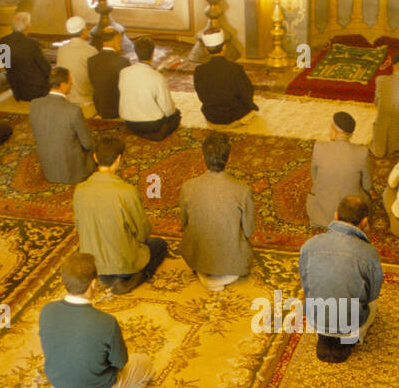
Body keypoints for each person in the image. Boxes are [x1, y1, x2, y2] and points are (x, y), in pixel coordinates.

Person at [38, 252, 152, 388]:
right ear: (93, 284)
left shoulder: (46, 311)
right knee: (145, 364)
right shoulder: (106, 322)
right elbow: (121, 362)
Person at [72, 134, 167, 294]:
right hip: (124, 265)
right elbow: (142, 232)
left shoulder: (79, 189)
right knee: (159, 245)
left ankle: (107, 278)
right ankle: (135, 278)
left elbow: (79, 226)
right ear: (118, 159)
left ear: (95, 157)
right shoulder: (126, 192)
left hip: (94, 266)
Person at [299, 195, 383, 363]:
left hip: (317, 318)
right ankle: (352, 337)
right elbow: (373, 295)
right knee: (373, 304)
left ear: (336, 215)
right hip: (351, 323)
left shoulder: (309, 245)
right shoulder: (369, 253)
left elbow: (306, 284)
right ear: (364, 222)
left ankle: (325, 334)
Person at [178, 132, 254, 291]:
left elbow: (184, 224)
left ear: (203, 158)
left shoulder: (188, 186)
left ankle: (207, 274)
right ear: (229, 159)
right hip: (233, 266)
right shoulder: (242, 190)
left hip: (198, 260)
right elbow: (248, 231)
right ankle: (222, 276)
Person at [305, 111, 372, 228]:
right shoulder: (362, 152)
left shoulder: (318, 148)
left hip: (322, 215)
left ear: (334, 131)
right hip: (352, 216)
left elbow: (315, 178)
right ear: (350, 134)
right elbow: (367, 185)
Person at [29, 67, 95, 185]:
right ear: (63, 85)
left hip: (48, 170)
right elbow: (87, 144)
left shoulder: (34, 104)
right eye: (70, 81)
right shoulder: (73, 110)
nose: (72, 83)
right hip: (73, 173)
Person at [118, 37, 180, 140]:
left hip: (129, 123)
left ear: (136, 52)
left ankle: (142, 133)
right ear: (153, 53)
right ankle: (157, 134)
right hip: (152, 125)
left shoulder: (124, 72)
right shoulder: (157, 77)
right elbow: (168, 109)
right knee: (176, 115)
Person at [192, 29, 258, 126]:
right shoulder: (235, 68)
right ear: (224, 47)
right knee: (249, 109)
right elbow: (246, 92)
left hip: (211, 116)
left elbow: (201, 95)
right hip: (234, 115)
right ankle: (236, 122)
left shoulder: (198, 70)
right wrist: (251, 106)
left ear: (206, 50)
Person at [0, 11, 50, 102]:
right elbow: (45, 67)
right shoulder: (32, 44)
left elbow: (5, 67)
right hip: (36, 91)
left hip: (17, 90)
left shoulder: (3, 42)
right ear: (27, 26)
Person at [87, 27, 130, 119]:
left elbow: (93, 83)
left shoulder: (91, 61)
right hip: (117, 108)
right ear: (114, 40)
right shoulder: (123, 62)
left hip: (100, 108)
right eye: (119, 41)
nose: (121, 44)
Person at [55, 15, 97, 108]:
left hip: (66, 96)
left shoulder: (61, 49)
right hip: (85, 98)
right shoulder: (90, 50)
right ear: (84, 31)